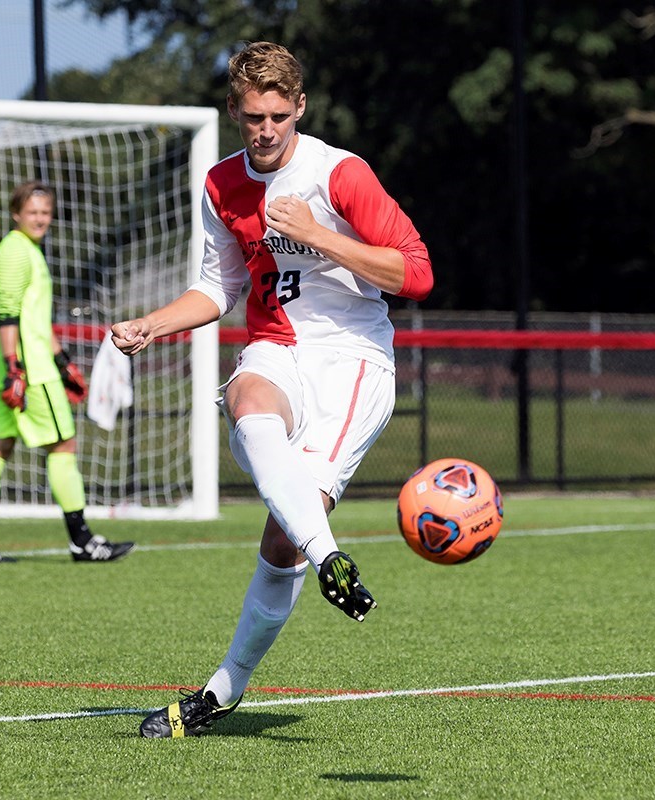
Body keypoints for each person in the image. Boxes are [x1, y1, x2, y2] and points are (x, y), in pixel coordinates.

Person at [111, 41, 432, 737]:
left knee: (280, 538)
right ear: (234, 111)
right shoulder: (221, 186)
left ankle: (222, 691)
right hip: (275, 347)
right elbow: (216, 289)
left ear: (300, 109)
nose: (266, 129)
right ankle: (331, 559)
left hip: (352, 360)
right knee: (248, 406)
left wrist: (320, 235)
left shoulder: (339, 174)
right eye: (253, 115)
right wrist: (153, 323)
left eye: (279, 115)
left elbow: (415, 274)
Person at [0, 179, 134, 565]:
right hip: (27, 372)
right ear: (15, 213)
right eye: (32, 212)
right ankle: (82, 541)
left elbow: (32, 319)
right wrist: (14, 369)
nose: (40, 218)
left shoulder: (25, 250)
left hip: (20, 367)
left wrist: (62, 359)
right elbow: (7, 314)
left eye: (45, 212)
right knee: (63, 445)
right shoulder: (17, 252)